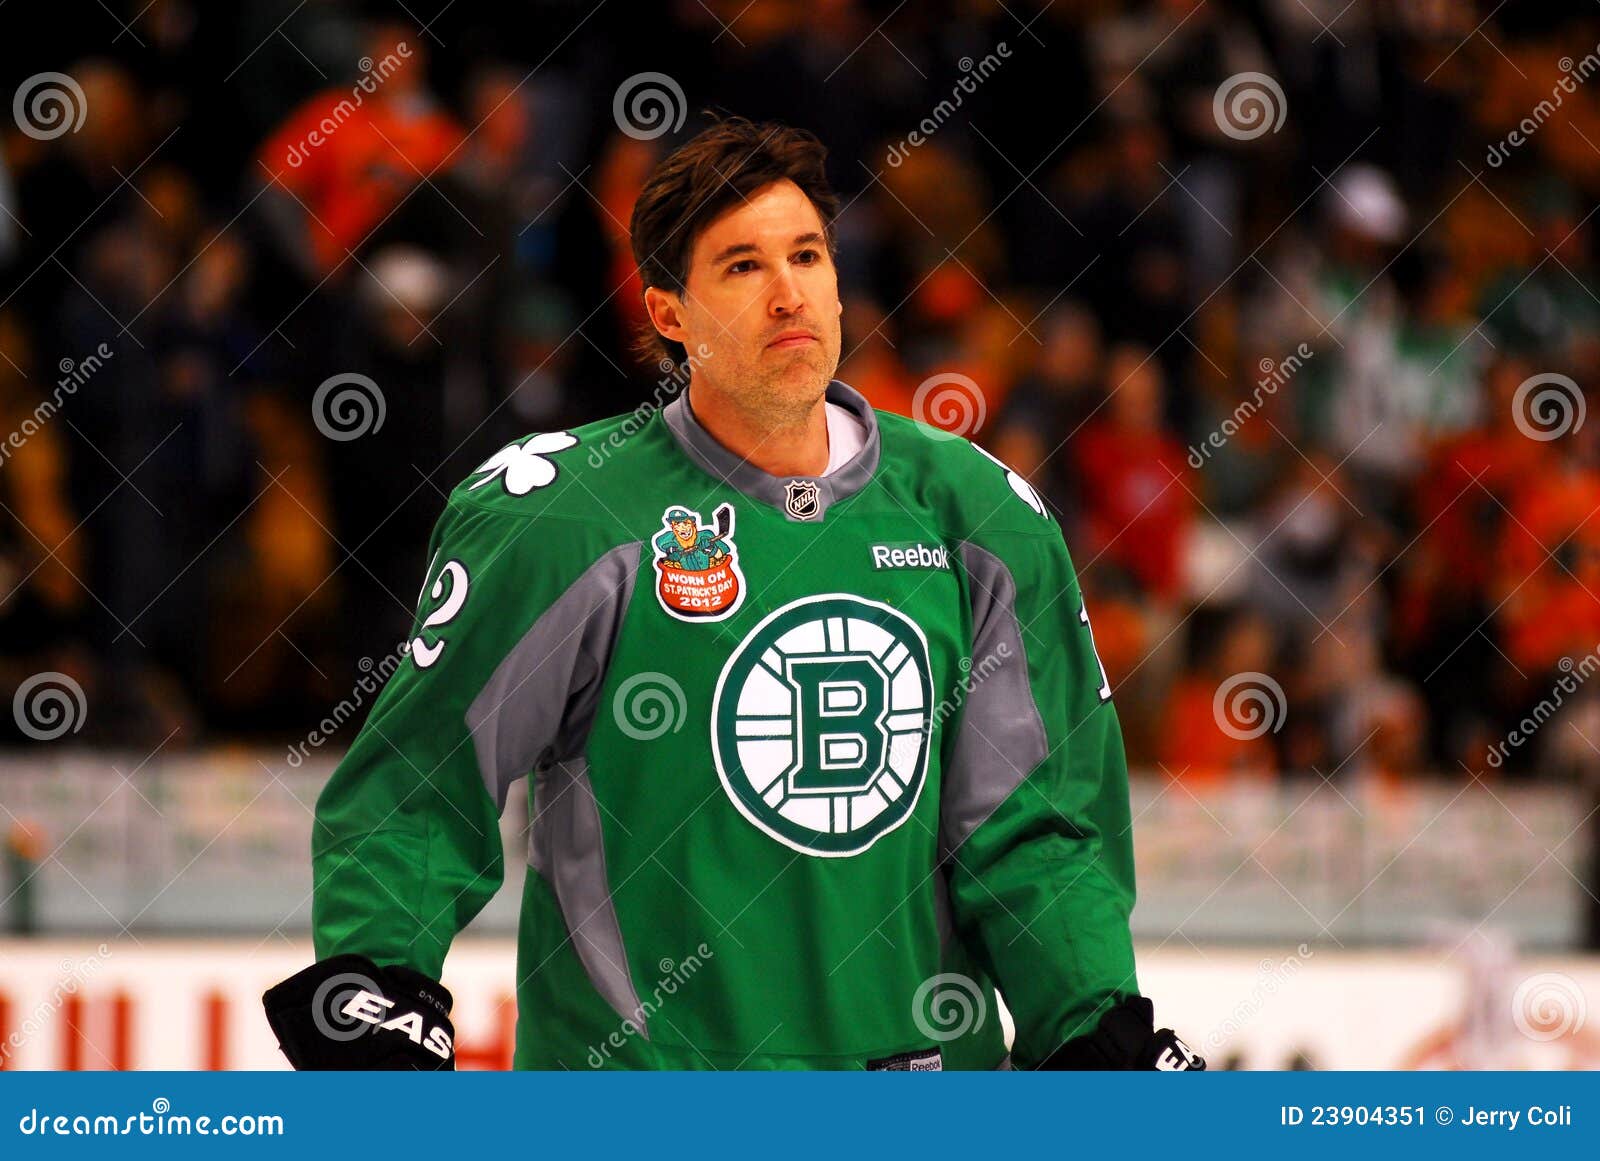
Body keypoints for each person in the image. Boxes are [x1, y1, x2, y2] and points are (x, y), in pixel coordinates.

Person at [263, 118, 1203, 1072]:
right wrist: (376, 988)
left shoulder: (980, 518)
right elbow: (419, 787)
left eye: (808, 255)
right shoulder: (568, 519)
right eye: (744, 267)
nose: (790, 292)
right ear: (668, 311)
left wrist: (1093, 1023)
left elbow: (1035, 829)